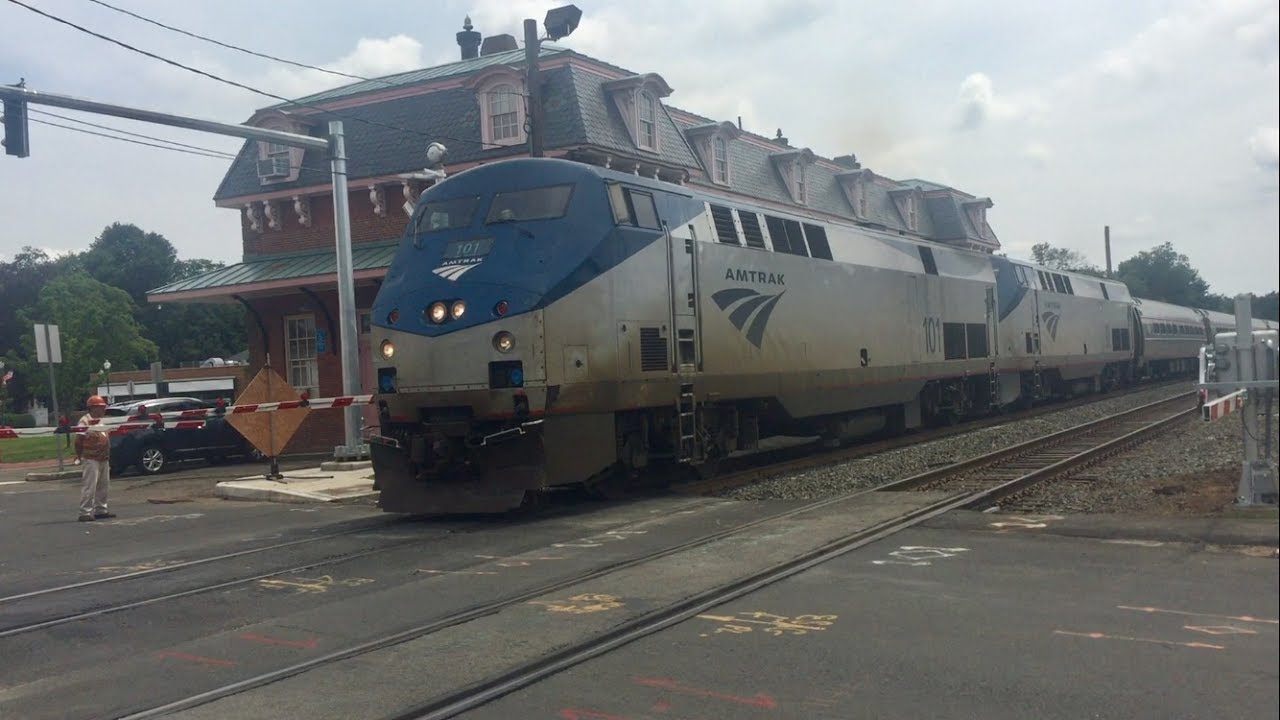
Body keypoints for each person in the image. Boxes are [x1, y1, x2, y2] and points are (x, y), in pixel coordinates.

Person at [74, 395, 115, 522]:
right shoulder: (84, 421)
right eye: (100, 408)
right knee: (90, 486)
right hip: (91, 458)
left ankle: (101, 509)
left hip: (103, 458)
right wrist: (79, 455)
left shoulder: (101, 421)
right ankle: (84, 512)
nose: (102, 410)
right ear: (92, 408)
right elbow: (78, 440)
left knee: (103, 485)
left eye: (103, 408)